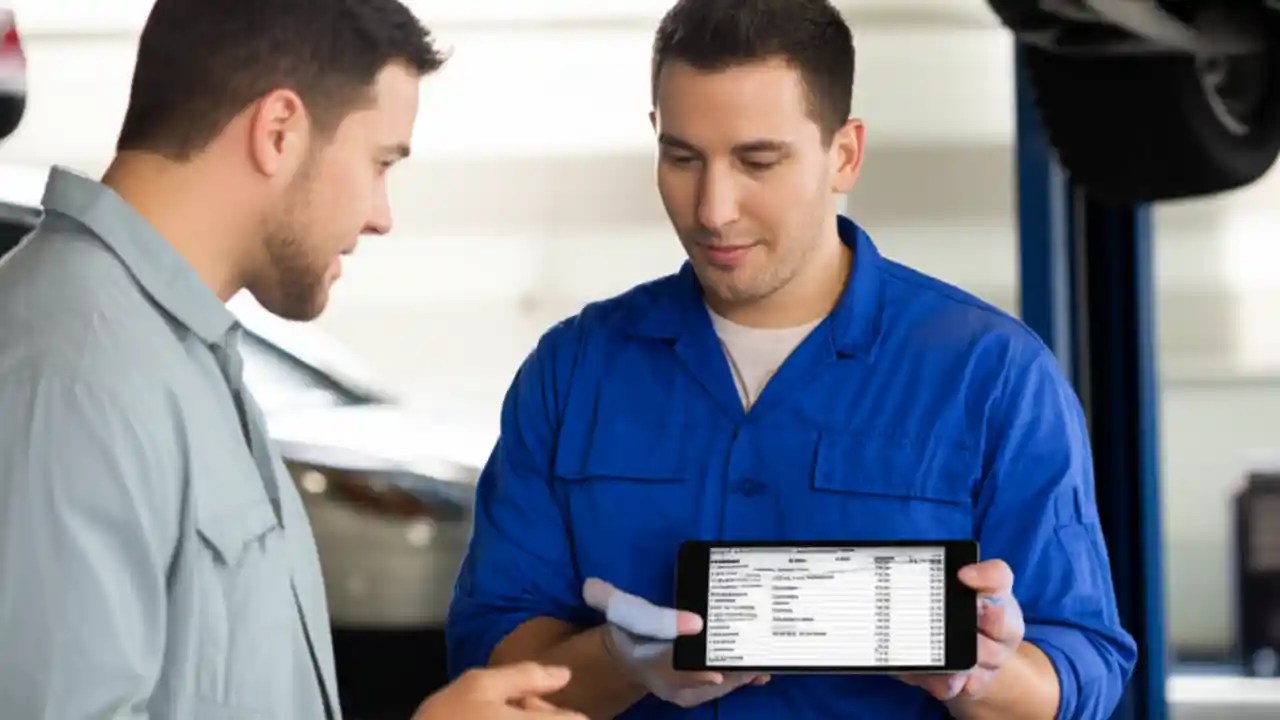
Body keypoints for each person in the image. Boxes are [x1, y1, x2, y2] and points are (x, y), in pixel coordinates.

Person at [445, 0, 1139, 718]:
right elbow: (491, 656)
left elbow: (1080, 672)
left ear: (845, 154)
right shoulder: (573, 373)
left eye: (758, 161)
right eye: (682, 157)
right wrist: (622, 662)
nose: (713, 208)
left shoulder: (992, 376)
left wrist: (980, 671)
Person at [0, 1, 583, 718]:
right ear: (278, 131)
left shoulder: (170, 352)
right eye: (379, 163)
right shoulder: (75, 374)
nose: (381, 215)